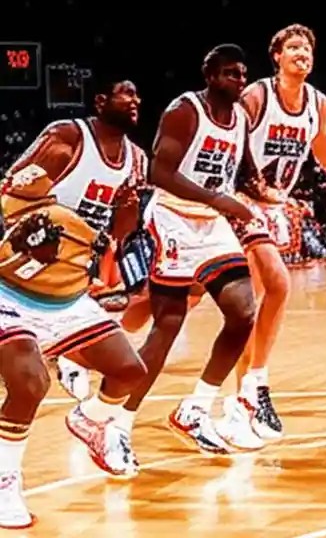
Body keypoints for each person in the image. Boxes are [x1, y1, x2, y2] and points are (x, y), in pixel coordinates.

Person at [102, 44, 270, 459]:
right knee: (168, 324)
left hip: (211, 224)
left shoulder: (240, 118)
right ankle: (118, 422)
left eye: (242, 73)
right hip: (173, 218)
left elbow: (246, 175)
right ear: (210, 75)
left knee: (243, 312)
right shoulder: (185, 110)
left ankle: (195, 408)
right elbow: (160, 172)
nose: (239, 79)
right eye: (230, 73)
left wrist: (273, 198)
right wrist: (218, 200)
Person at [0, 78, 150, 527]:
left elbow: (120, 228)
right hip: (11, 285)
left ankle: (91, 419)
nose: (135, 100)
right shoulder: (67, 138)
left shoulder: (136, 160)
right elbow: (9, 191)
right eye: (125, 93)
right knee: (30, 384)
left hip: (66, 294)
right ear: (101, 101)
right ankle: (4, 480)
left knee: (130, 371)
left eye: (137, 94)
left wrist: (125, 216)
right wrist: (29, 229)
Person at [230, 23, 326, 439]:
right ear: (276, 56)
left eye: (307, 48)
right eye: (293, 47)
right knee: (254, 293)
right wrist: (255, 195)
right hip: (240, 199)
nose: (302, 53)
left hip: (271, 207)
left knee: (260, 296)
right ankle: (249, 392)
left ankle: (247, 394)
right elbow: (231, 146)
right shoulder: (257, 96)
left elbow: (325, 156)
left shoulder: (317, 103)